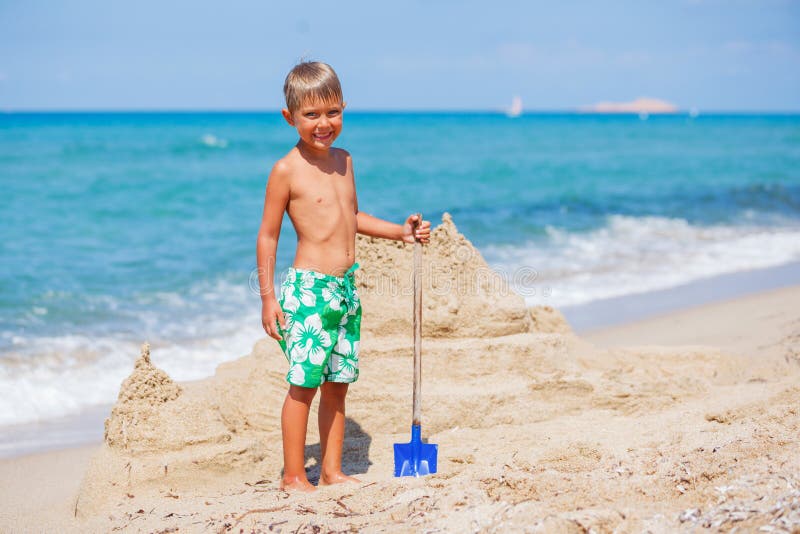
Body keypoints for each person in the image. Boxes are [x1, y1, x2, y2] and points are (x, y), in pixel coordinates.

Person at [255, 61, 431, 492]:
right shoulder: (285, 170)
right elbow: (268, 236)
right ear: (289, 117)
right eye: (311, 115)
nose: (323, 124)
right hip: (308, 291)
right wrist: (268, 297)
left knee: (337, 384)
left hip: (344, 290)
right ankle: (294, 475)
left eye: (332, 112)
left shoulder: (345, 161)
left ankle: (331, 471)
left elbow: (350, 217)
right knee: (303, 385)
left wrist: (399, 232)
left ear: (343, 109)